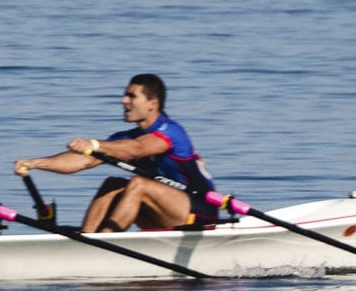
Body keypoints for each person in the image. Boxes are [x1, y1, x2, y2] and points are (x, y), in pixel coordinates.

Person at [14, 73, 217, 232]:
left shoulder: (171, 131)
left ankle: (105, 241)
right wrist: (35, 163)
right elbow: (82, 161)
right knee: (113, 184)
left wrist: (94, 144)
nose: (123, 100)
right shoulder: (126, 137)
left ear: (152, 103)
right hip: (166, 211)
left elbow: (138, 149)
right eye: (125, 95)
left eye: (132, 96)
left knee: (138, 184)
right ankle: (87, 239)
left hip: (200, 212)